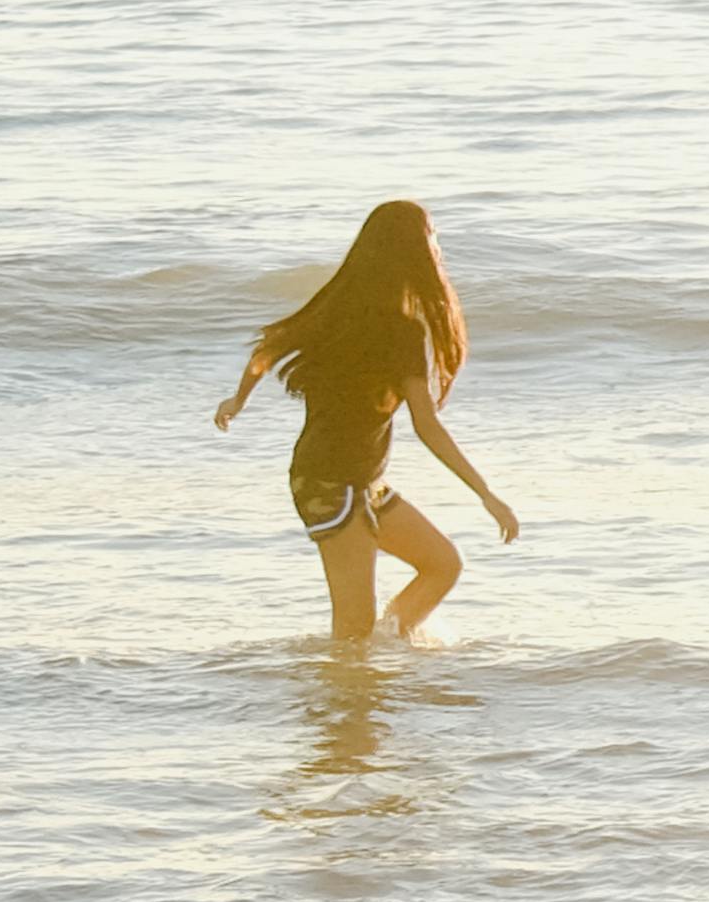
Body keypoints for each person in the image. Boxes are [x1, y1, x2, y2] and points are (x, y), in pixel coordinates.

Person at [212, 198, 516, 649]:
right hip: (333, 484)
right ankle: (347, 704)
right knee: (352, 629)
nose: (437, 246)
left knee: (441, 564)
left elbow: (264, 354)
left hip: (356, 481)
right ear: (415, 252)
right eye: (432, 237)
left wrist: (238, 399)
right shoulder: (401, 331)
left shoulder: (335, 308)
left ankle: (385, 652)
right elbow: (427, 426)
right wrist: (485, 494)